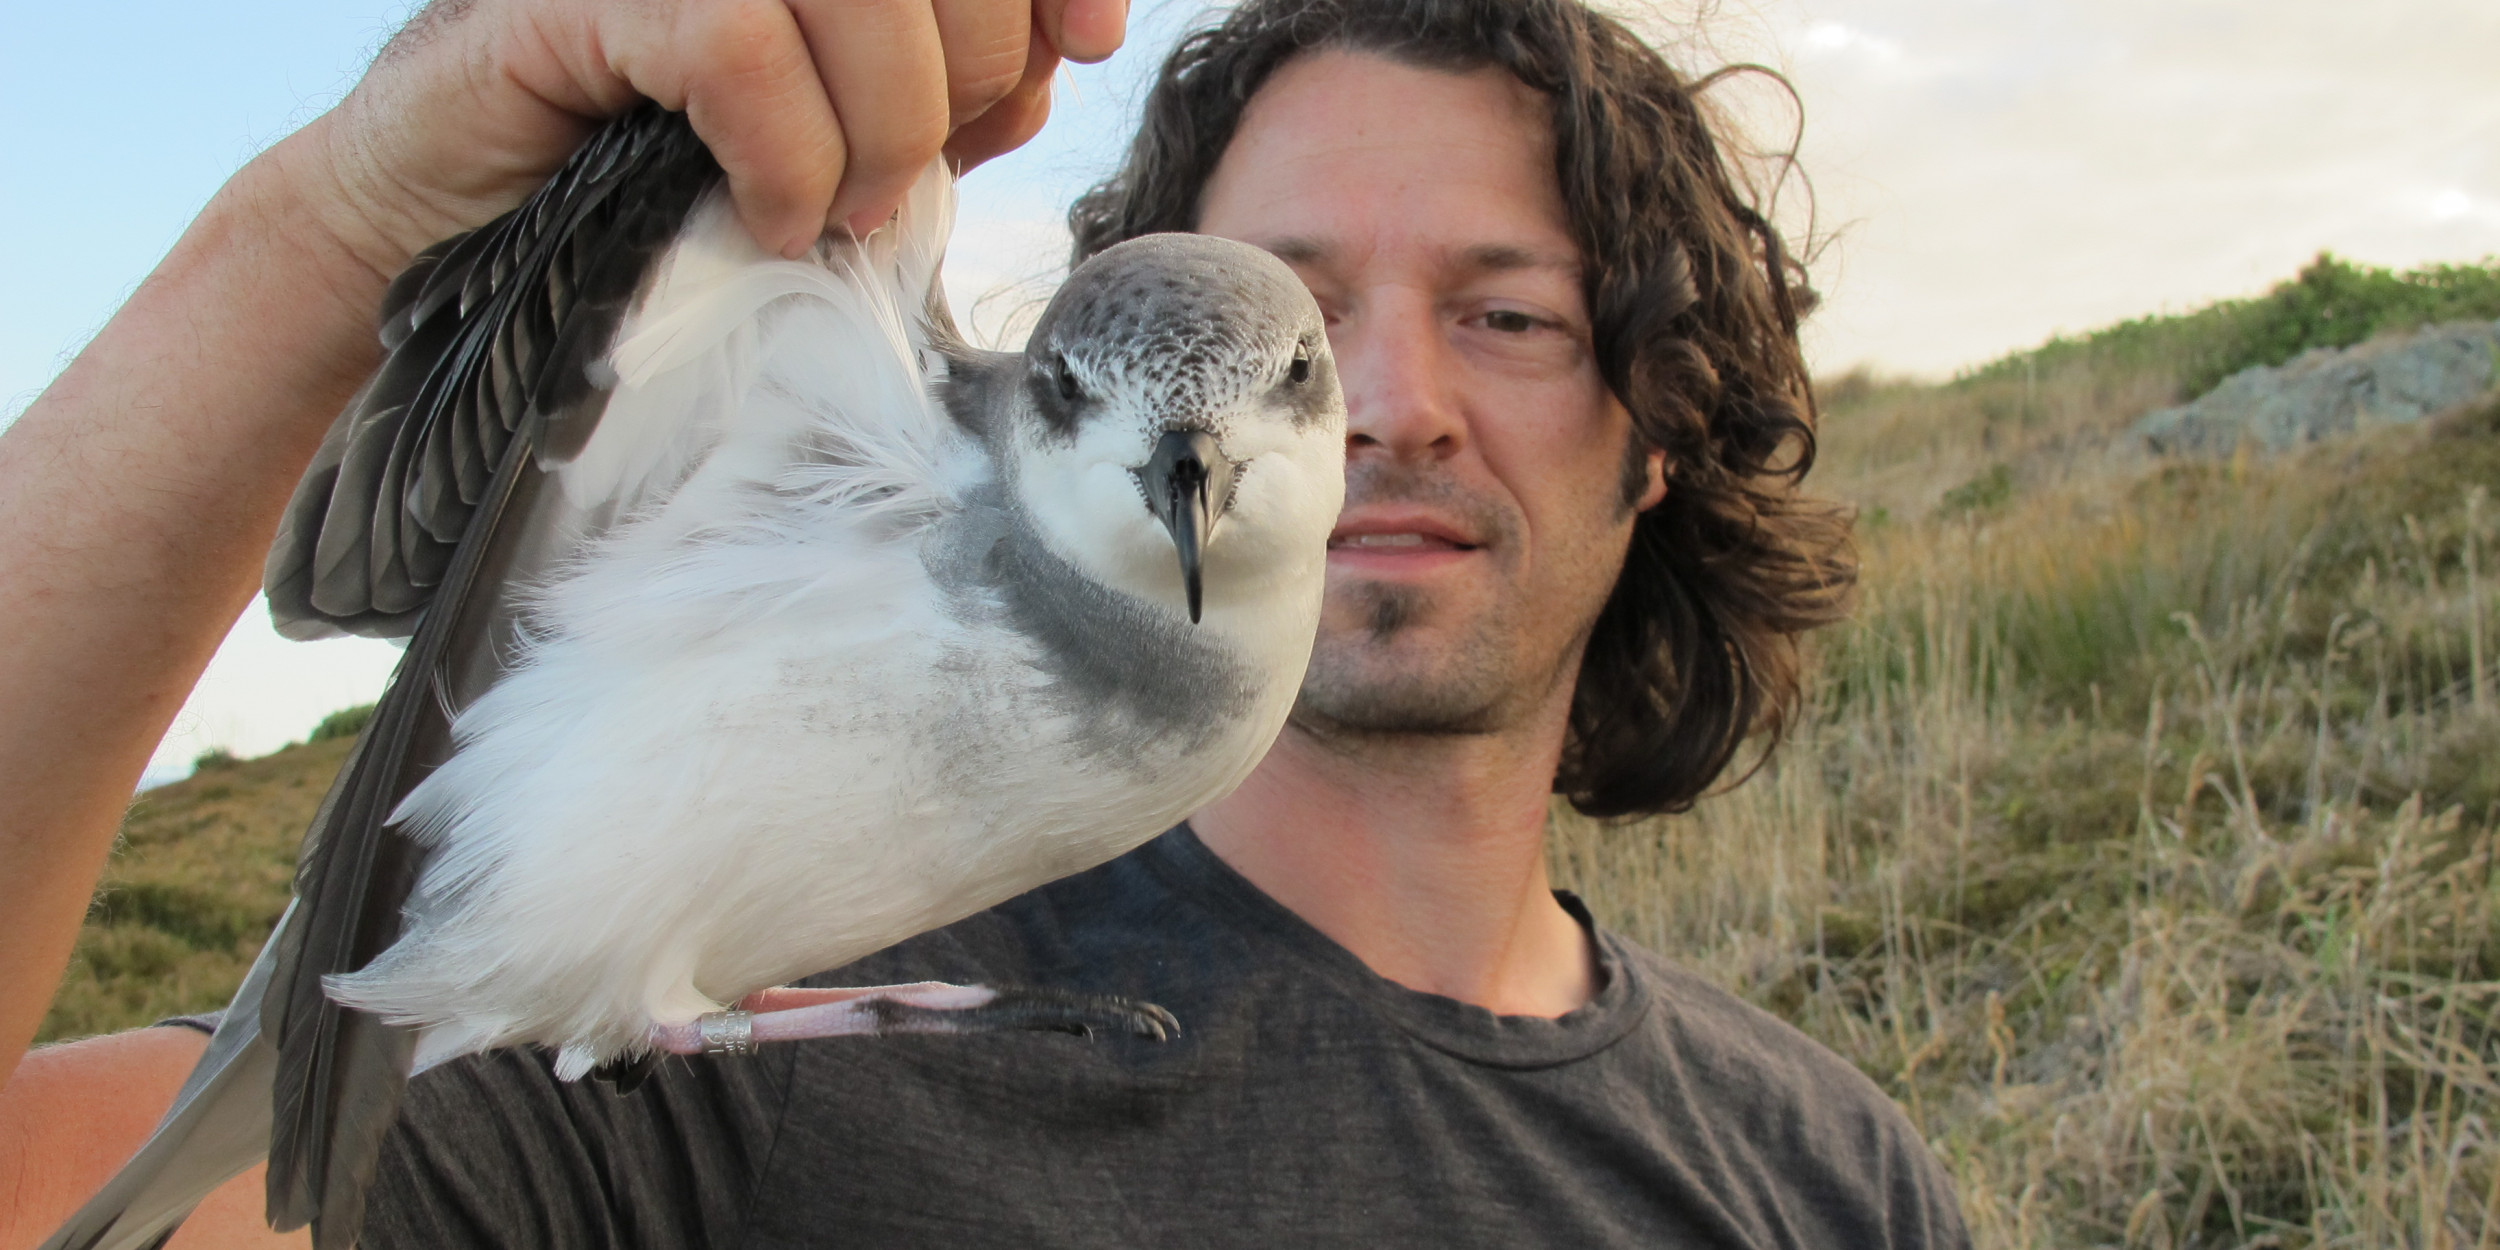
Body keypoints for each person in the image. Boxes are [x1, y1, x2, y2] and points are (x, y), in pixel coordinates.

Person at [0, 0, 1965, 1243]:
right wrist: (335, 218)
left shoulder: (1826, 1180)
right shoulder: (673, 1076)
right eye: (1294, 292)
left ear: (1661, 425)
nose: (1385, 403)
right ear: (1045, 377)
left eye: (1508, 312)